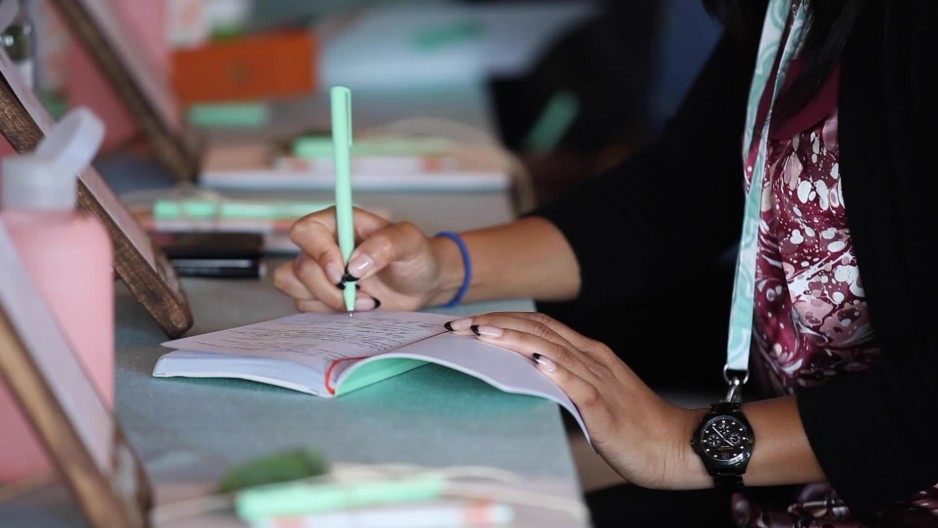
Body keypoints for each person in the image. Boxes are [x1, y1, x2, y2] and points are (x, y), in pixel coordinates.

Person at [273, 0, 938, 525]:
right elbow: (676, 197)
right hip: (783, 491)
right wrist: (438, 269)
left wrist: (688, 442)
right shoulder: (800, 12)